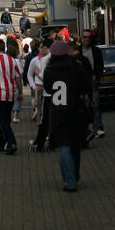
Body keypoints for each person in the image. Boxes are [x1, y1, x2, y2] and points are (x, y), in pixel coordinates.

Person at [42, 39, 91, 191]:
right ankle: (74, 175)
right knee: (75, 144)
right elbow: (86, 85)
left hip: (58, 112)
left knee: (63, 145)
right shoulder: (76, 67)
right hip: (75, 111)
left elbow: (48, 89)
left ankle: (69, 181)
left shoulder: (49, 70)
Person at [80, 29, 105, 138]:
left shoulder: (96, 51)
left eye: (89, 37)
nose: (87, 39)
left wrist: (97, 75)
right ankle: (85, 129)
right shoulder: (78, 50)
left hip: (93, 81)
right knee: (83, 106)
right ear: (81, 38)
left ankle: (98, 128)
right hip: (81, 83)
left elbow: (100, 64)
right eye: (85, 37)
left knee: (95, 104)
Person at [28, 40, 52, 150]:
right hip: (39, 86)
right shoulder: (35, 60)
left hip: (48, 89)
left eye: (42, 47)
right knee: (39, 108)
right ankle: (41, 128)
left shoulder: (48, 59)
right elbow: (29, 74)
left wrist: (38, 74)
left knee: (46, 114)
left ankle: (42, 138)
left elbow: (43, 76)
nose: (41, 49)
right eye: (40, 47)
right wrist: (33, 86)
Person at [6, 37, 22, 122]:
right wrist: (21, 90)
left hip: (6, 84)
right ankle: (15, 116)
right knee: (16, 100)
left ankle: (7, 116)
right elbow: (19, 74)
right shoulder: (16, 61)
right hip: (15, 84)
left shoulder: (5, 61)